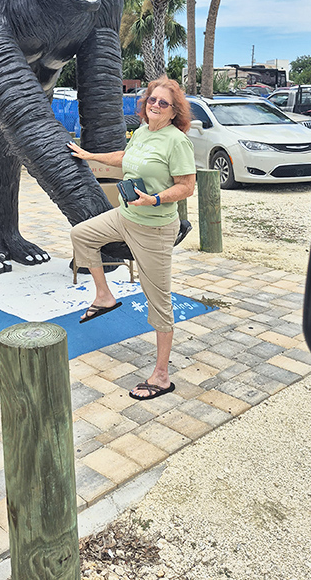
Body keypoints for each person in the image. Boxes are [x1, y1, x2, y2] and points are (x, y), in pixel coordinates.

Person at [68, 77, 196, 401]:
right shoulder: (142, 131)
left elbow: (187, 187)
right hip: (125, 217)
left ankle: (162, 376)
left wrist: (155, 199)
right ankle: (104, 296)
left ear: (174, 111)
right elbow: (124, 159)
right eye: (152, 100)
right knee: (81, 235)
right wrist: (88, 155)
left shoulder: (177, 141)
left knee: (159, 303)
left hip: (154, 229)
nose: (155, 106)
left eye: (163, 103)